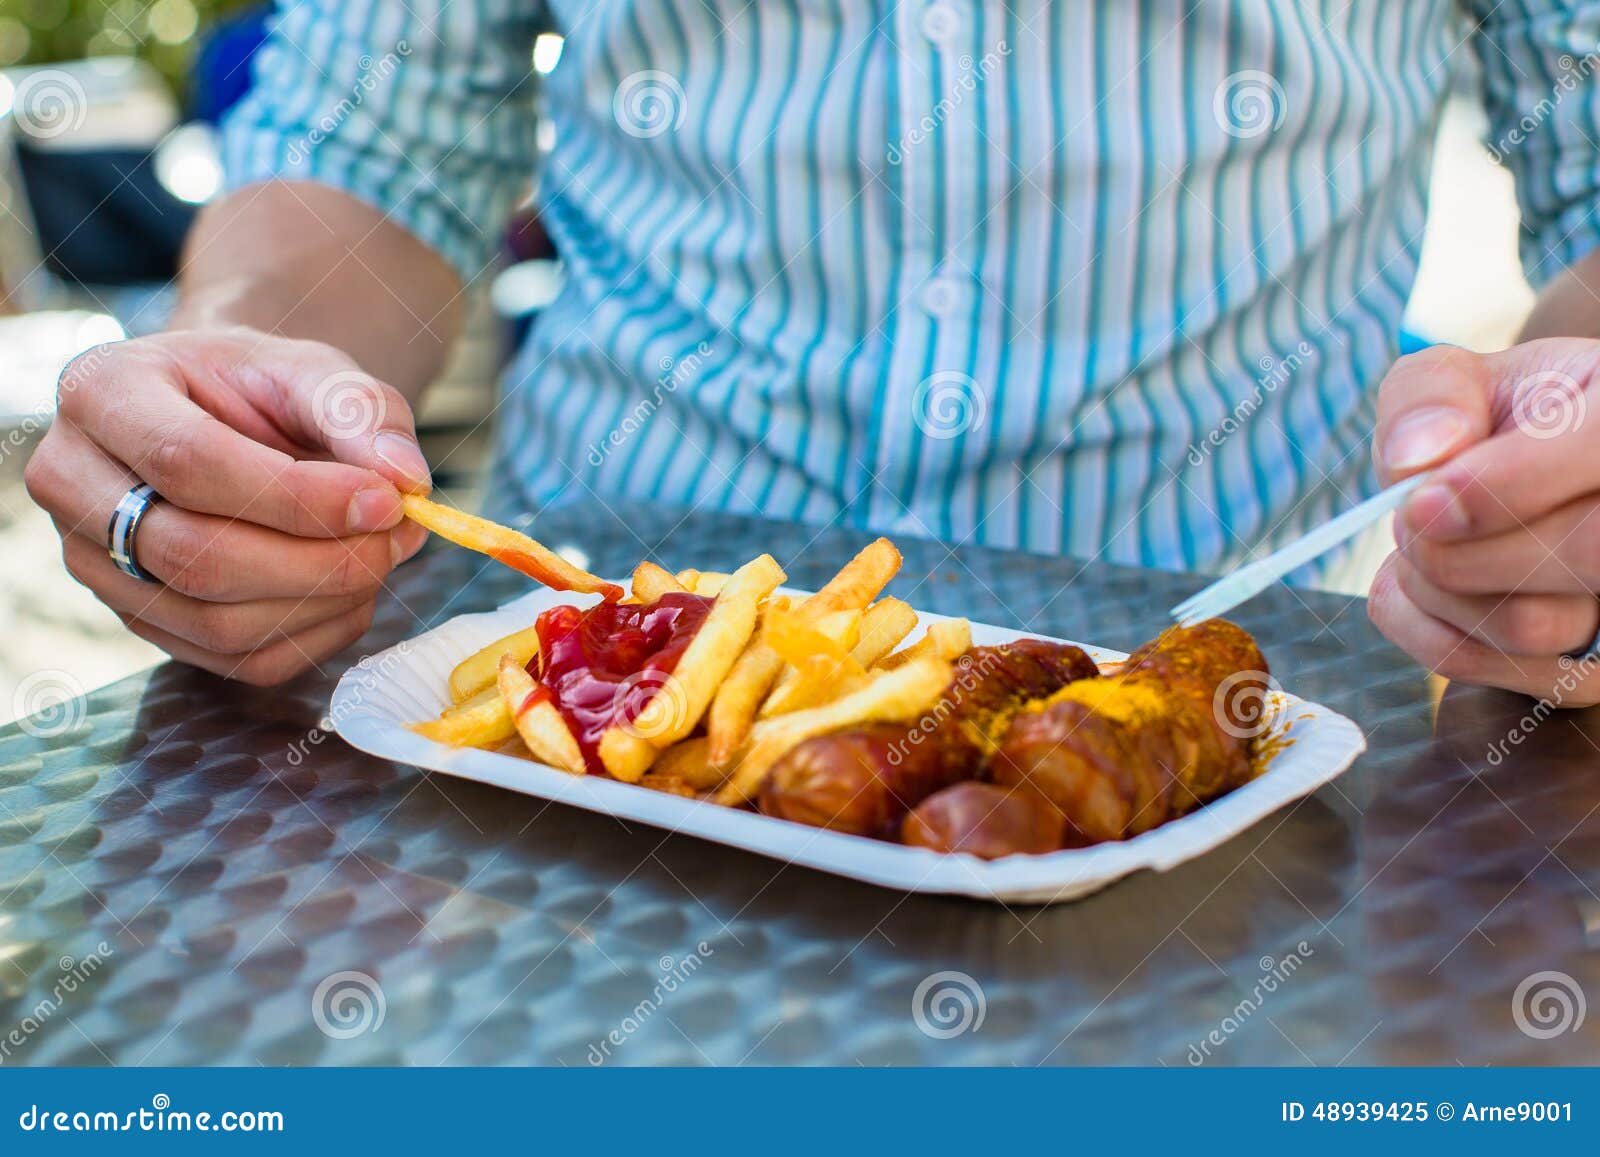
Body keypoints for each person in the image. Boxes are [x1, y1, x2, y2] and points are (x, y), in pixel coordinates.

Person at [22, 1, 1600, 704]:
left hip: (1221, 735)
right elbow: (374, 138)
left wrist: (1563, 488)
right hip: (580, 723)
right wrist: (233, 385)